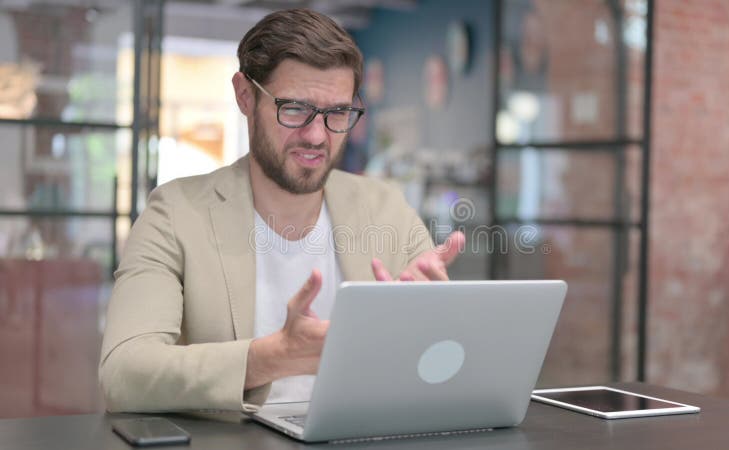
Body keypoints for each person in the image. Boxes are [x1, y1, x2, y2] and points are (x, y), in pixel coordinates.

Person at [99, 8, 465, 413]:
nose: (316, 136)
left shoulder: (384, 208)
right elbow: (123, 372)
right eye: (293, 109)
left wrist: (435, 325)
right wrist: (269, 358)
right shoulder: (174, 214)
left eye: (337, 113)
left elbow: (439, 365)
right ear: (244, 95)